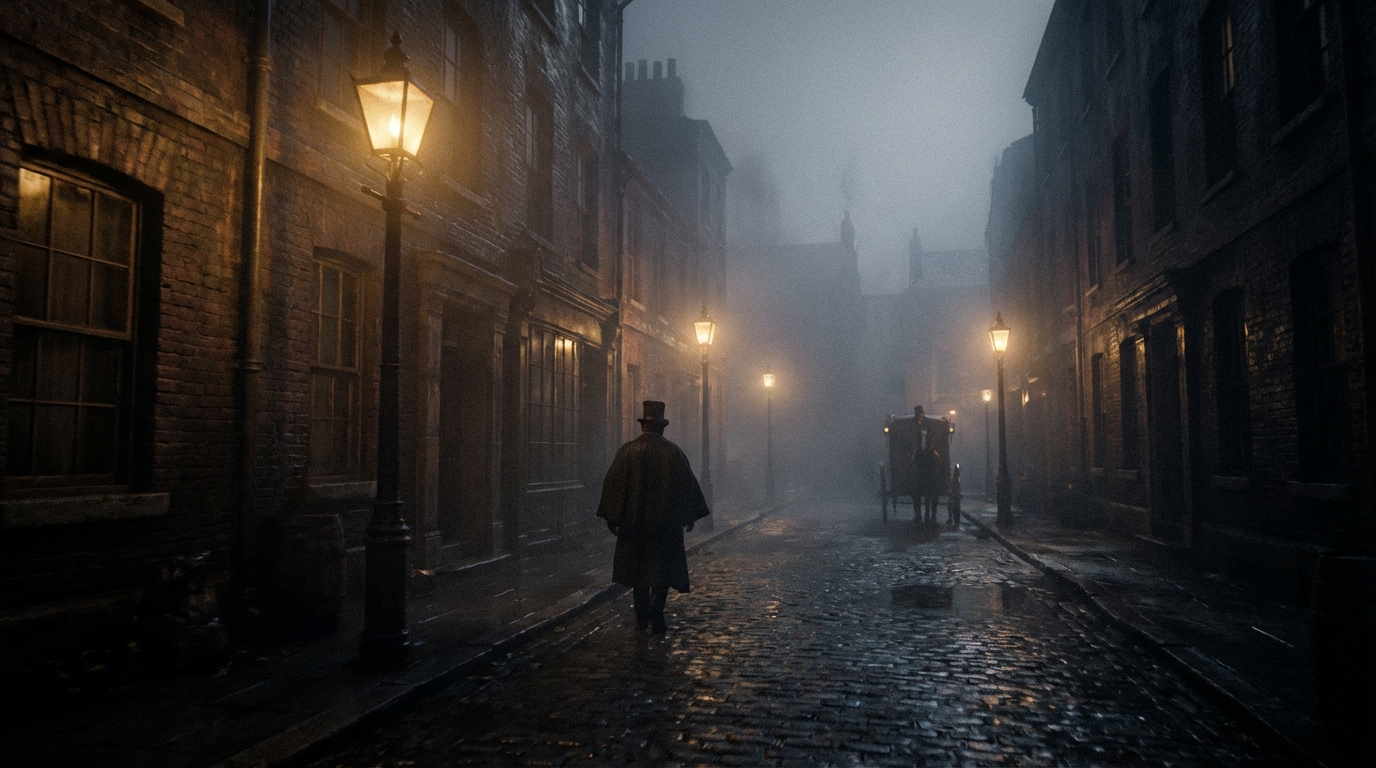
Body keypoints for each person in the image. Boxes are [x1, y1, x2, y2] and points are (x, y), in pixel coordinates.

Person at [596, 401, 711, 634]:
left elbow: (614, 484)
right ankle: (656, 611)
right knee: (662, 571)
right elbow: (686, 486)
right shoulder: (673, 452)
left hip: (634, 525)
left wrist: (612, 517)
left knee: (639, 573)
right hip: (665, 526)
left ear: (643, 427)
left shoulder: (627, 452)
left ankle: (641, 617)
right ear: (662, 428)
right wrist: (688, 516)